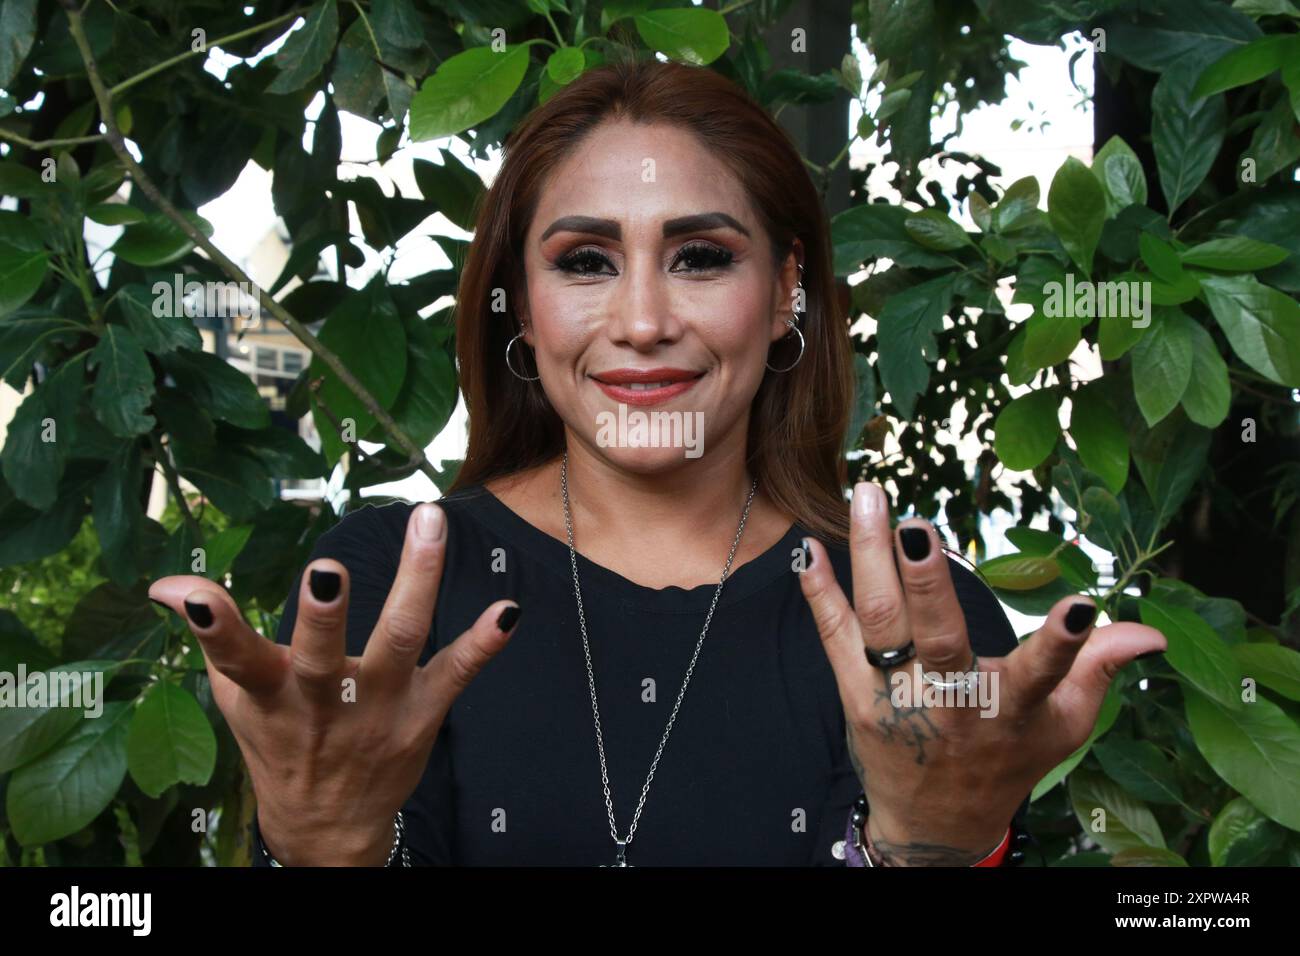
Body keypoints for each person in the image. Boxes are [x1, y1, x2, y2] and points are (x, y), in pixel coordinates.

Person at [148, 57, 1166, 867]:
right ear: (521, 303)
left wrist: (933, 850)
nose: (640, 322)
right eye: (585, 261)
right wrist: (326, 853)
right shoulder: (382, 586)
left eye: (702, 256)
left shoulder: (919, 631)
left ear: (784, 295)